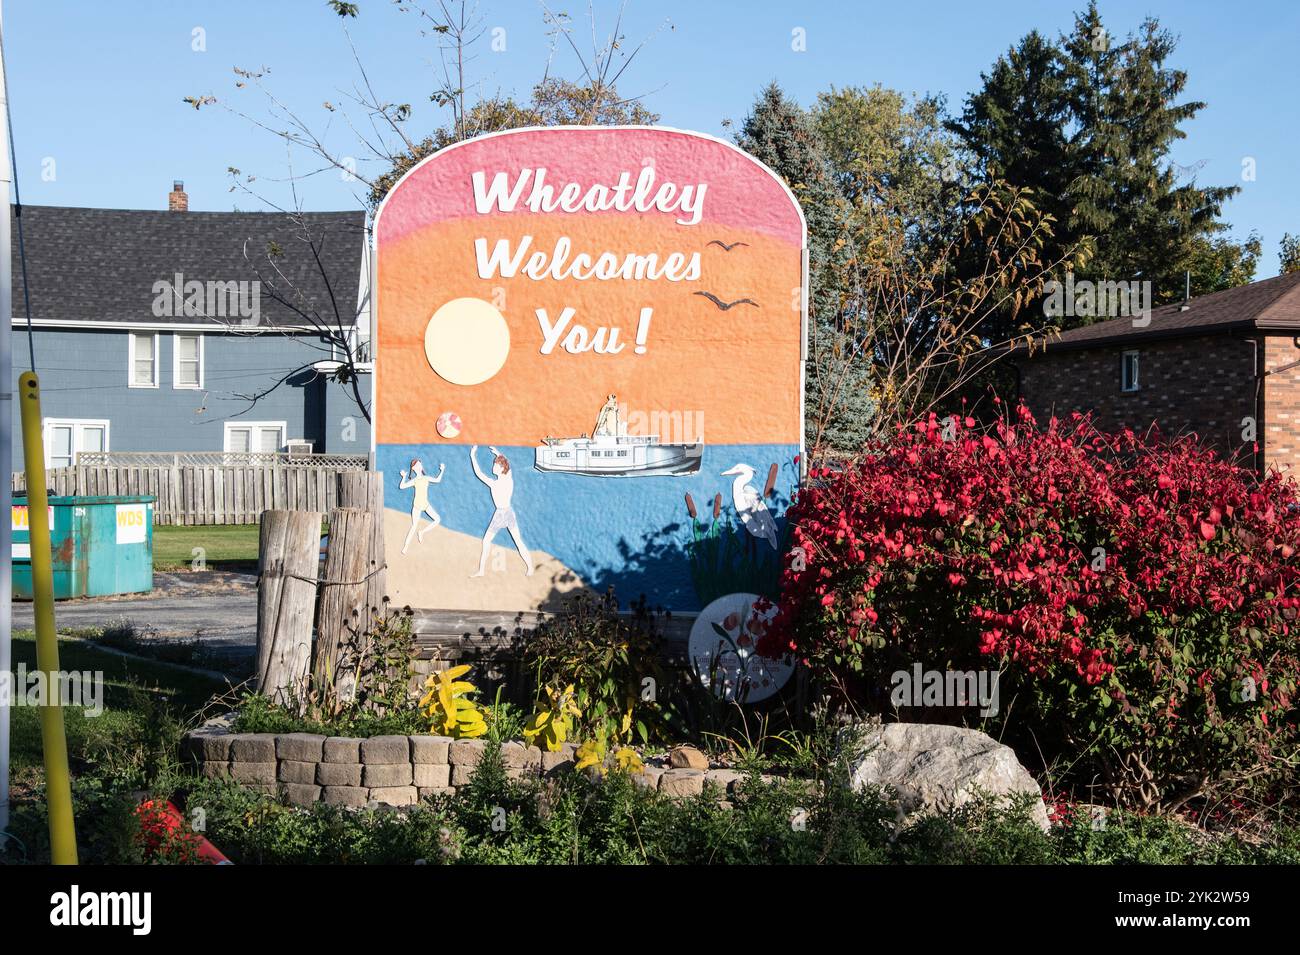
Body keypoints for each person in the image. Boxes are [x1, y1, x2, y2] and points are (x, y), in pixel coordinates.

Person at [469, 445, 534, 577]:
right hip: (507, 513)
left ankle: (482, 571)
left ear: (501, 468)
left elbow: (479, 473)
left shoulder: (494, 483)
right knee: (515, 540)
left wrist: (472, 456)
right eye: (494, 464)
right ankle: (530, 568)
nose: (493, 466)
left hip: (501, 514)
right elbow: (508, 466)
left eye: (495, 465)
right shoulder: (509, 479)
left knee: (490, 541)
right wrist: (498, 454)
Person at [398, 458, 445, 554]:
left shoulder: (426, 478)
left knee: (437, 519)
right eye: (417, 465)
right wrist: (403, 477)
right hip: (417, 506)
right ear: (414, 468)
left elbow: (437, 480)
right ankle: (405, 547)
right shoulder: (415, 480)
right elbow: (402, 486)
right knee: (414, 526)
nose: (420, 466)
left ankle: (422, 532)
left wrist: (442, 470)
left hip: (425, 504)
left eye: (420, 464)